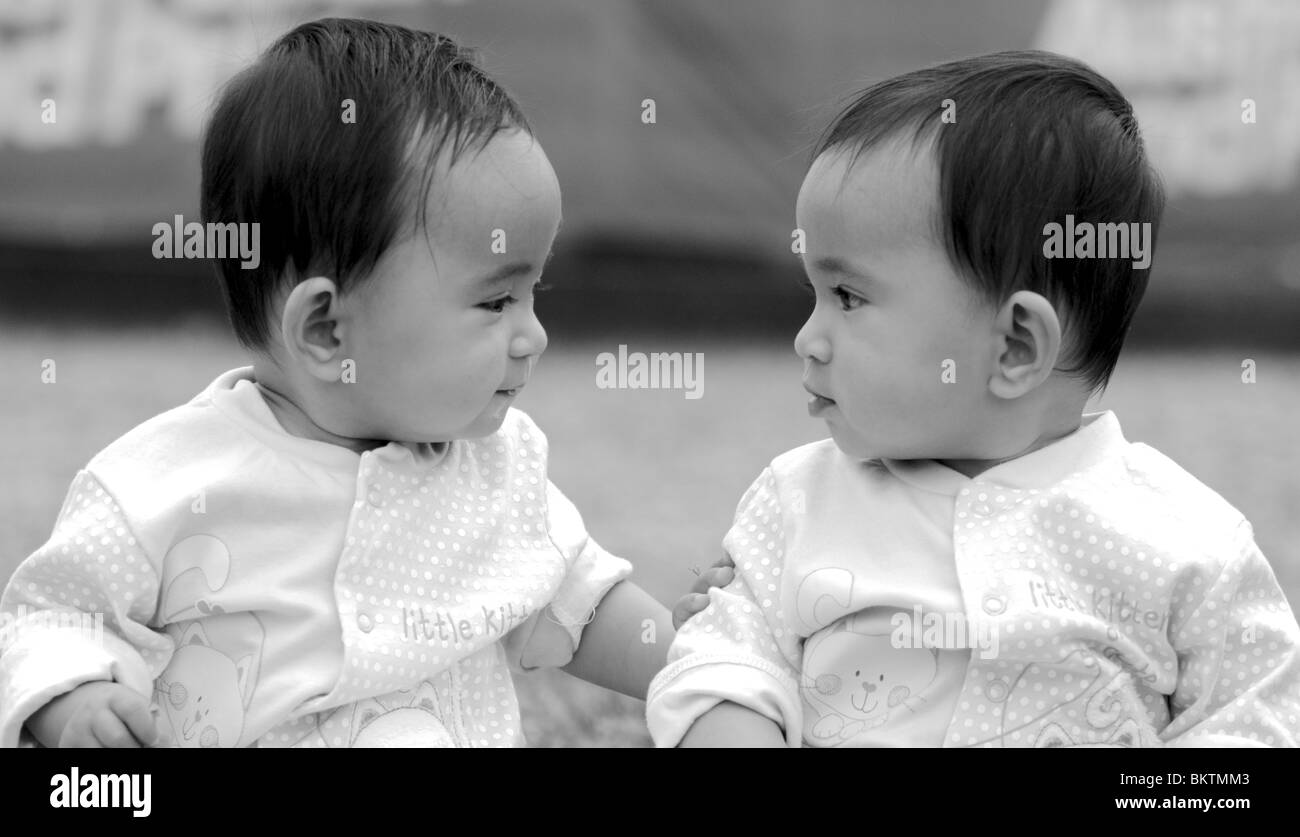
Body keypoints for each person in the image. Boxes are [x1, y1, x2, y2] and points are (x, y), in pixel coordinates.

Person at [0, 18, 673, 748]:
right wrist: (77, 701)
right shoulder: (158, 485)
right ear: (325, 329)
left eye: (533, 293)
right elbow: (51, 619)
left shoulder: (498, 471)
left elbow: (580, 602)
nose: (533, 334)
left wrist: (707, 659)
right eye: (495, 302)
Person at [649, 51, 1300, 748]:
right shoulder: (797, 503)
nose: (808, 338)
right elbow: (722, 664)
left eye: (849, 296)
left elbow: (1256, 722)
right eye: (814, 293)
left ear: (1016, 345)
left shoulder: (1188, 541)